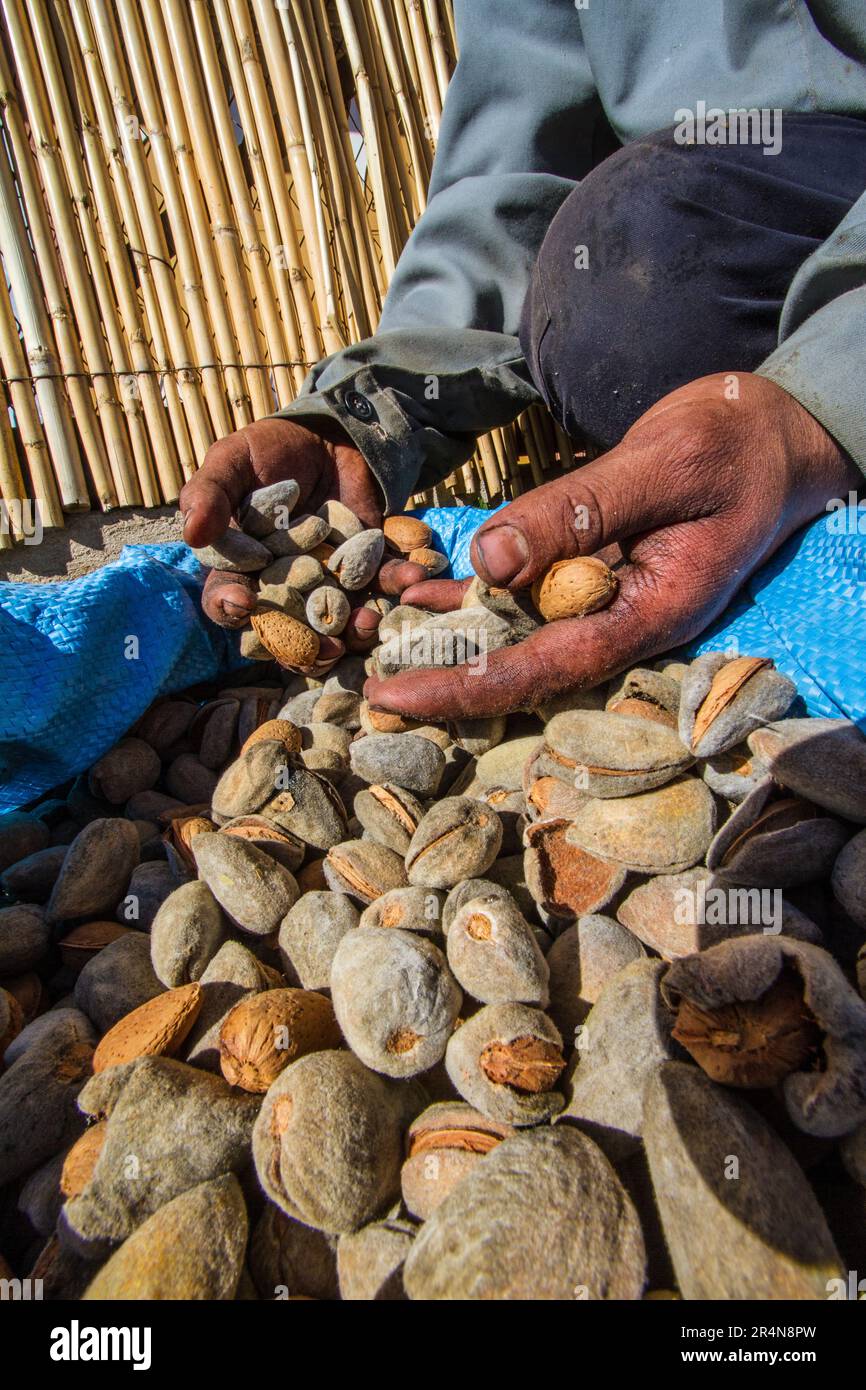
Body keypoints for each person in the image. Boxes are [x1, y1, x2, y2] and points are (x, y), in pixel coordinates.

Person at [180, 0, 866, 719]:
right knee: (631, 267)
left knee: (647, 235)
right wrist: (376, 410)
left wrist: (820, 401)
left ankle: (800, 458)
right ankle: (732, 480)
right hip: (708, 209)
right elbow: (511, 169)